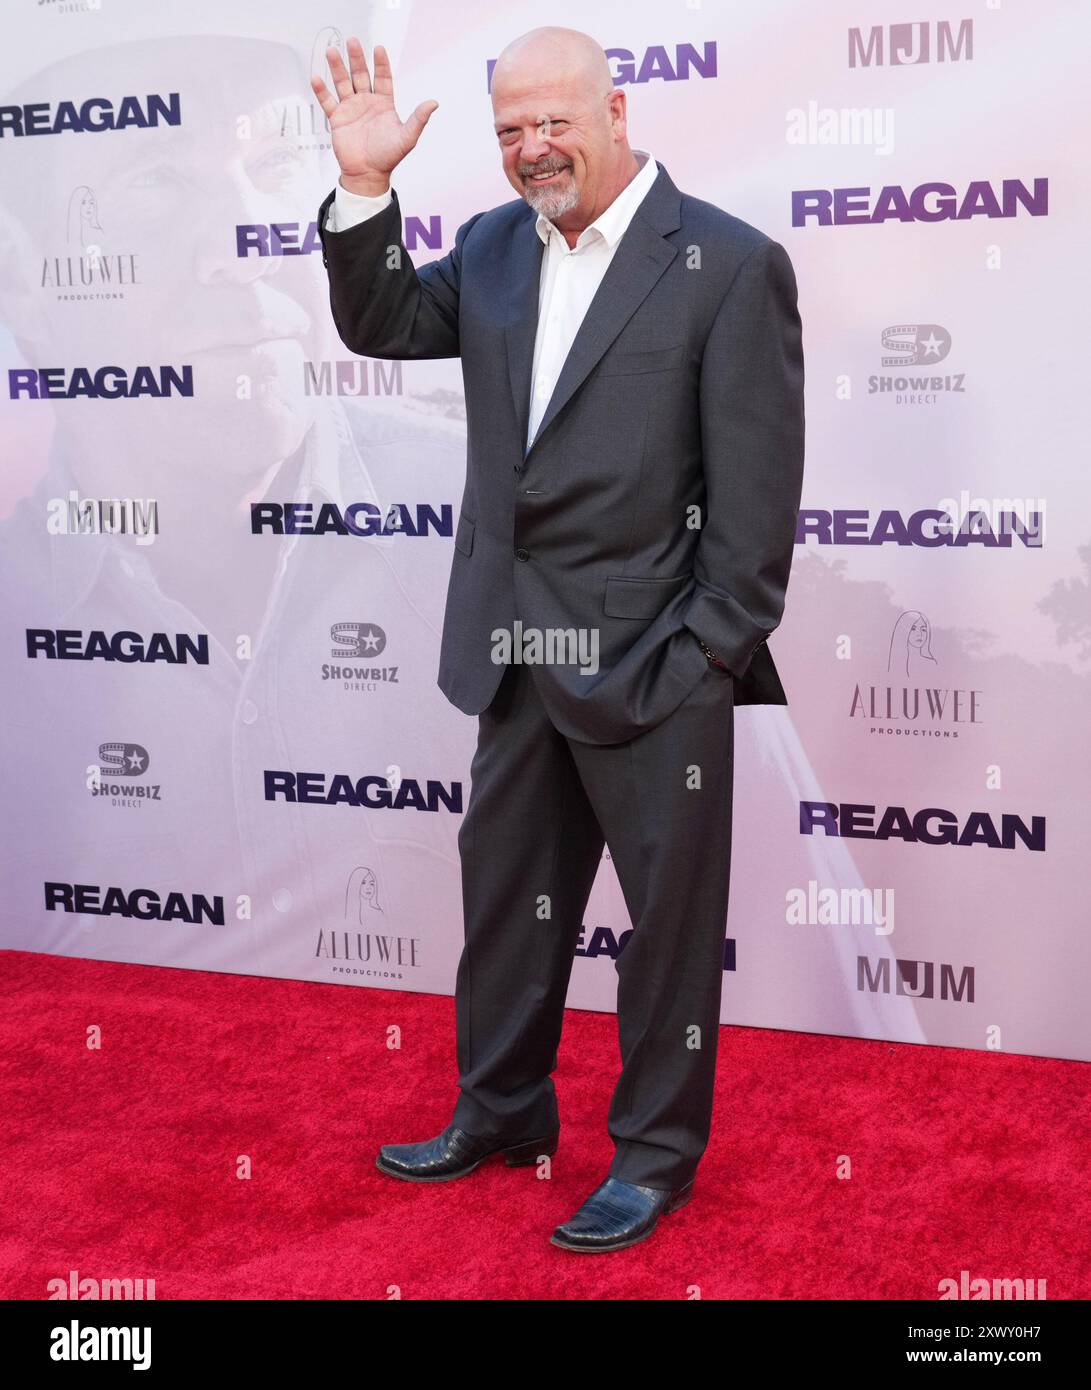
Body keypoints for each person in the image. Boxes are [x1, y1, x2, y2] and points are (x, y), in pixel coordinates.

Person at [312, 25, 805, 1253]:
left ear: (616, 107)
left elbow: (754, 506)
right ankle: (503, 1110)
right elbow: (377, 322)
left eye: (552, 121)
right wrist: (367, 186)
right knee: (508, 906)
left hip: (656, 666)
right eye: (509, 131)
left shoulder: (727, 266)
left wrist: (702, 656)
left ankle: (651, 1156)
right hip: (511, 651)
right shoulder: (487, 246)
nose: (532, 149)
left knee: (667, 935)